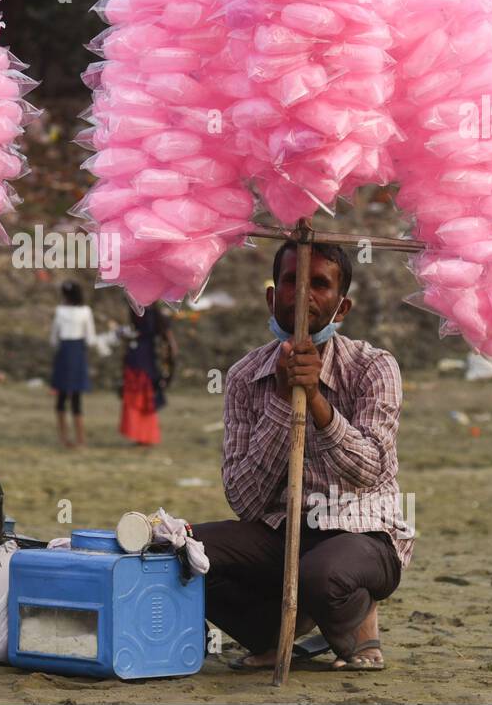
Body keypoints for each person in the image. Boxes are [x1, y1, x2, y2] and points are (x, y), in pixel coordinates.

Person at [191, 242, 413, 672]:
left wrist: (315, 401)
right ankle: (275, 634)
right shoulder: (243, 377)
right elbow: (245, 500)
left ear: (341, 306)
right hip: (283, 532)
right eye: (292, 281)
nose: (304, 294)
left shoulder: (374, 367)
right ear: (273, 298)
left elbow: (369, 469)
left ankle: (357, 624)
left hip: (362, 534)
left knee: (322, 576)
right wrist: (280, 402)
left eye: (320, 284)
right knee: (184, 554)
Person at [49, 280, 97, 448]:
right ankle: (80, 438)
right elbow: (90, 339)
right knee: (76, 398)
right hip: (78, 352)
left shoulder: (59, 311)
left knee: (61, 397)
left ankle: (63, 437)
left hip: (64, 352)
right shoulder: (86, 311)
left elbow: (54, 338)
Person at [119, 305, 175, 446]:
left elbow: (138, 331)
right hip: (147, 358)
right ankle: (143, 435)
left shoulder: (141, 309)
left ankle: (141, 434)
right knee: (145, 397)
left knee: (139, 397)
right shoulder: (153, 311)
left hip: (140, 358)